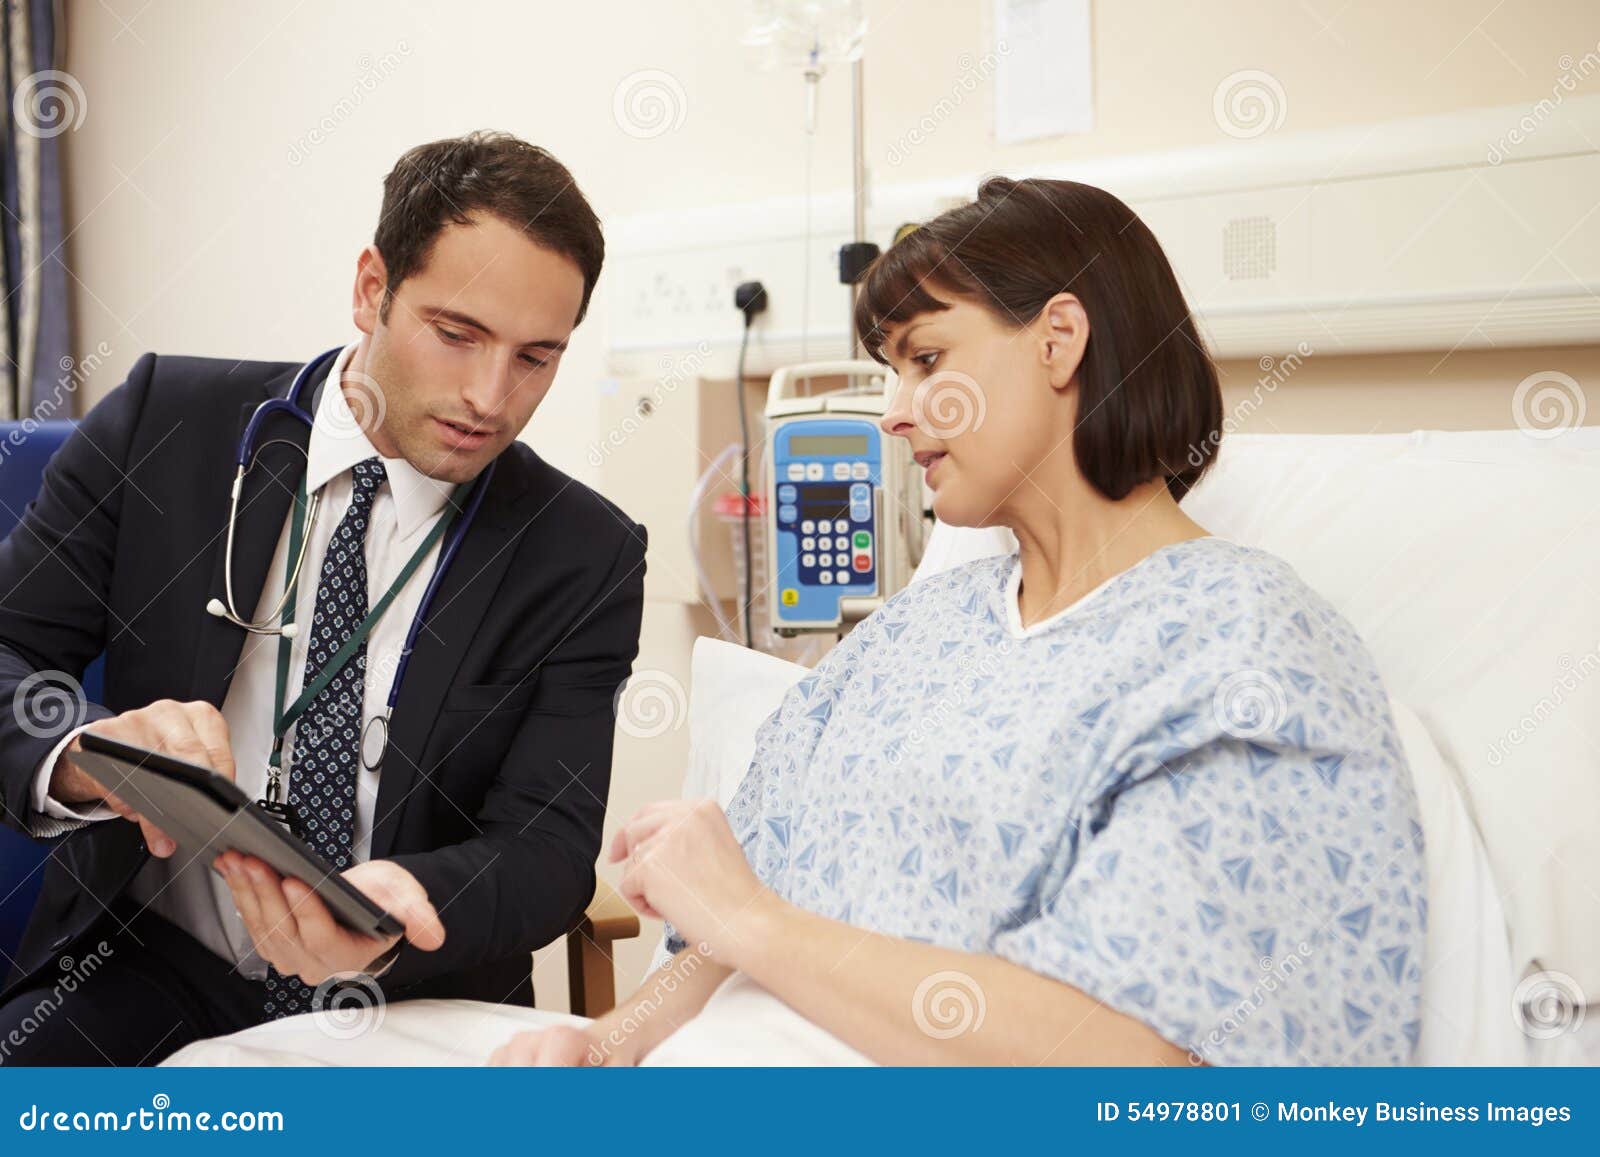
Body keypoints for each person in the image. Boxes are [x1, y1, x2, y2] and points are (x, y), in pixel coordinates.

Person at [489, 177, 1424, 1068]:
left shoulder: (1243, 650)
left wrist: (754, 924)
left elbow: (1141, 1057)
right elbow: (728, 917)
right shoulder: (909, 638)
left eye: (927, 360)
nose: (894, 415)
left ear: (1060, 340)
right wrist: (612, 1039)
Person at [0, 131, 646, 1065]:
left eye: (536, 358)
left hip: (404, 994)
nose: (488, 398)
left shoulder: (584, 555)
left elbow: (547, 847)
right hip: (143, 963)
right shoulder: (162, 424)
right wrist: (83, 753)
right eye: (456, 334)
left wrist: (402, 908)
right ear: (371, 288)